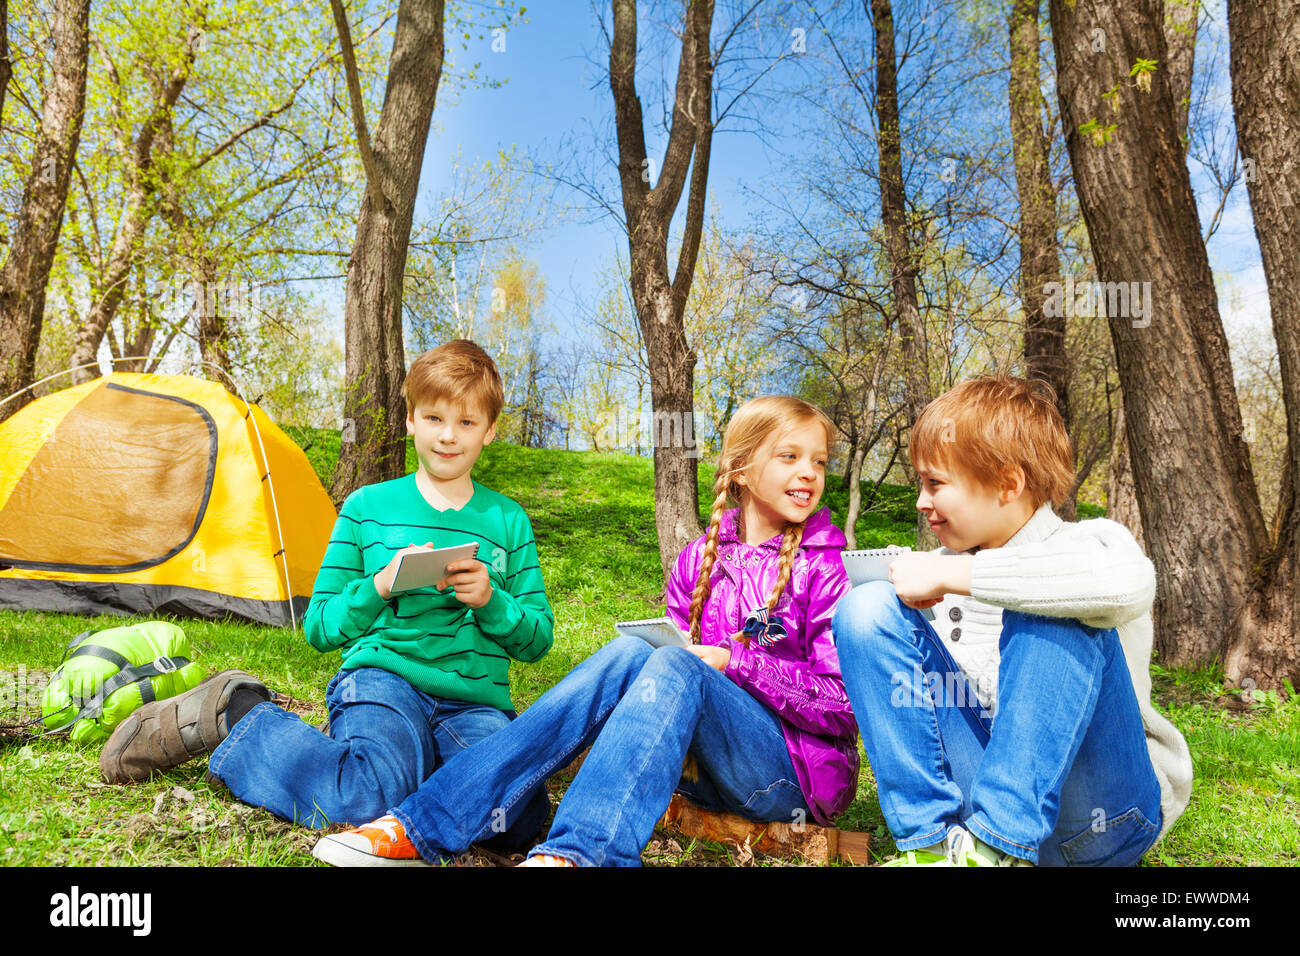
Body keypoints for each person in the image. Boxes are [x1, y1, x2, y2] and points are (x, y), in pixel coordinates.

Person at [311, 395, 859, 867]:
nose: (809, 472)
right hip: (699, 769)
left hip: (787, 777)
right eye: (789, 456)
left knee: (677, 662)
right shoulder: (699, 558)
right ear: (740, 469)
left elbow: (845, 706)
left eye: (819, 460)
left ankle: (584, 850)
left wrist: (735, 662)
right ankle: (422, 825)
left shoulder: (828, 567)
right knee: (630, 651)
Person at [100, 340, 553, 847]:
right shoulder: (366, 507)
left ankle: (420, 773)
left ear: (490, 431)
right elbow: (319, 626)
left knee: (516, 820)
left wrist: (492, 601)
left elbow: (537, 641)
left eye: (466, 423)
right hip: (386, 680)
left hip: (475, 703)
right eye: (433, 418)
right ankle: (238, 715)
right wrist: (381, 584)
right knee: (367, 797)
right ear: (410, 420)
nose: (448, 436)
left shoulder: (507, 520)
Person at [832, 376, 1193, 866]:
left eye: (935, 483)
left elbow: (1121, 585)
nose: (921, 500)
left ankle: (998, 845)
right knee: (866, 606)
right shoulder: (936, 569)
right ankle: (934, 847)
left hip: (1098, 818)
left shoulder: (1091, 545)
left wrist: (952, 574)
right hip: (980, 804)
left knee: (1052, 603)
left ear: (1008, 482)